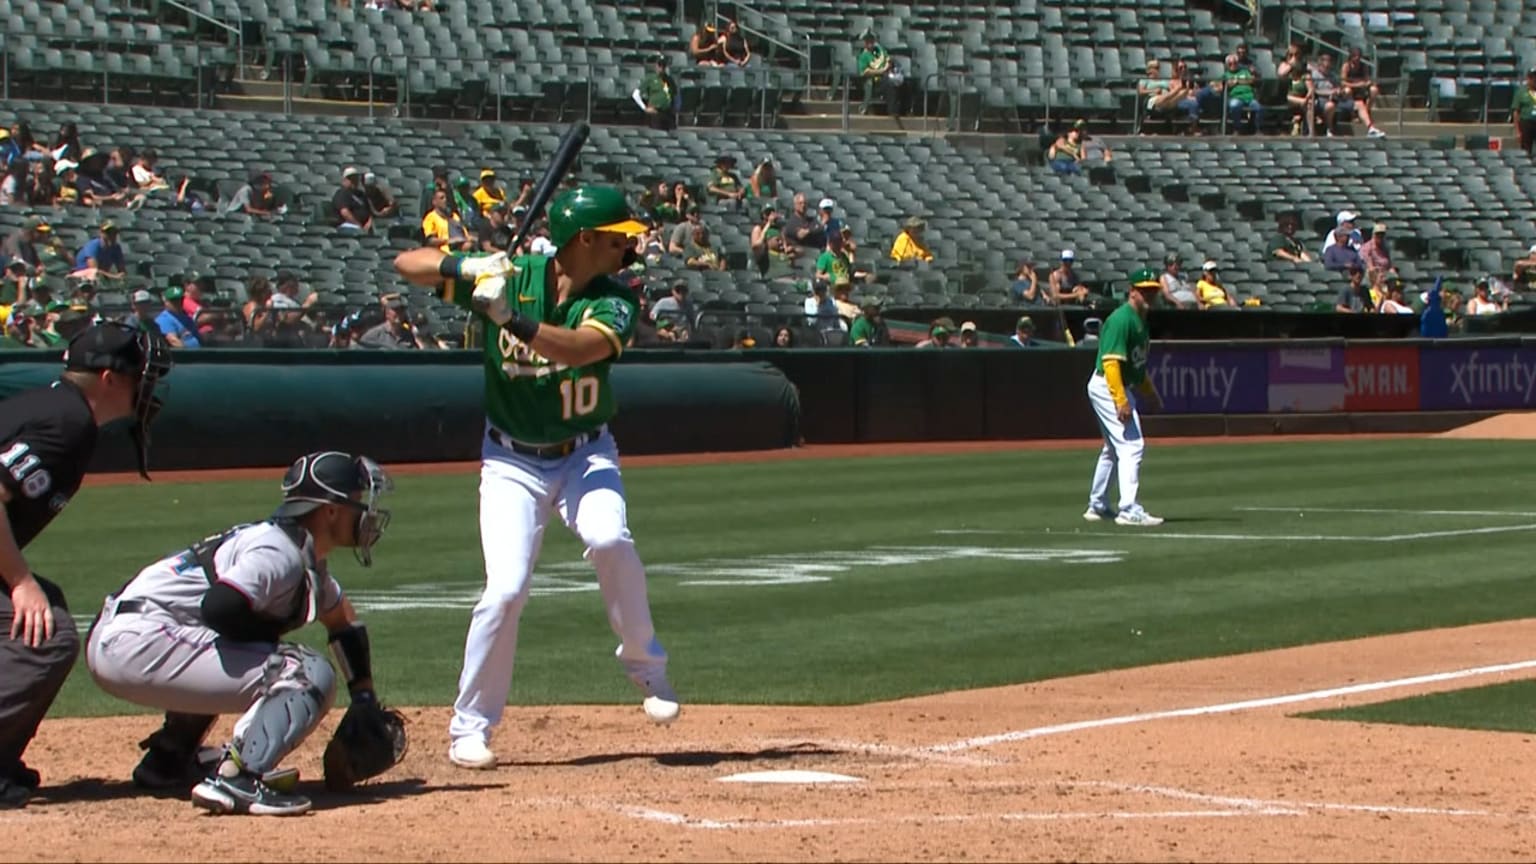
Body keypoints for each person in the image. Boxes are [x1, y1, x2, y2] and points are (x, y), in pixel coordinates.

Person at [391, 186, 679, 771]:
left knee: (609, 538)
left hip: (585, 454)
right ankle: (469, 727)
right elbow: (407, 264)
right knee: (505, 589)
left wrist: (509, 317)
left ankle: (647, 668)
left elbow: (578, 350)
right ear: (586, 239)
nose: (631, 244)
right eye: (619, 236)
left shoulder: (614, 299)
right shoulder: (509, 274)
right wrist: (466, 265)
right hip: (509, 462)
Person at [84, 451, 395, 816]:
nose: (365, 515)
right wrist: (268, 641)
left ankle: (169, 758)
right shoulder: (277, 554)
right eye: (356, 503)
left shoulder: (300, 555)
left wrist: (364, 697)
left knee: (249, 653)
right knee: (305, 672)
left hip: (134, 637)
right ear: (330, 510)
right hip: (138, 642)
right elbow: (219, 607)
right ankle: (239, 777)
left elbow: (341, 621)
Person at [0, 323, 172, 808]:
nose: (149, 387)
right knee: (45, 634)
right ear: (109, 378)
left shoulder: (52, 408)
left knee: (38, 612)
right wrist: (19, 581)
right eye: (143, 375)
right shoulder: (66, 423)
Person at [1083, 269, 1164, 527]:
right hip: (1108, 384)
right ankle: (1128, 509)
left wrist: (1151, 394)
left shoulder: (1140, 321)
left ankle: (1097, 505)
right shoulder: (1121, 320)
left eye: (1153, 290)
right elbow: (1111, 364)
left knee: (1113, 448)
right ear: (1132, 291)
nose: (1149, 295)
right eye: (1144, 290)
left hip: (1114, 384)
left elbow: (1137, 368)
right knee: (1132, 445)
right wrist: (1120, 400)